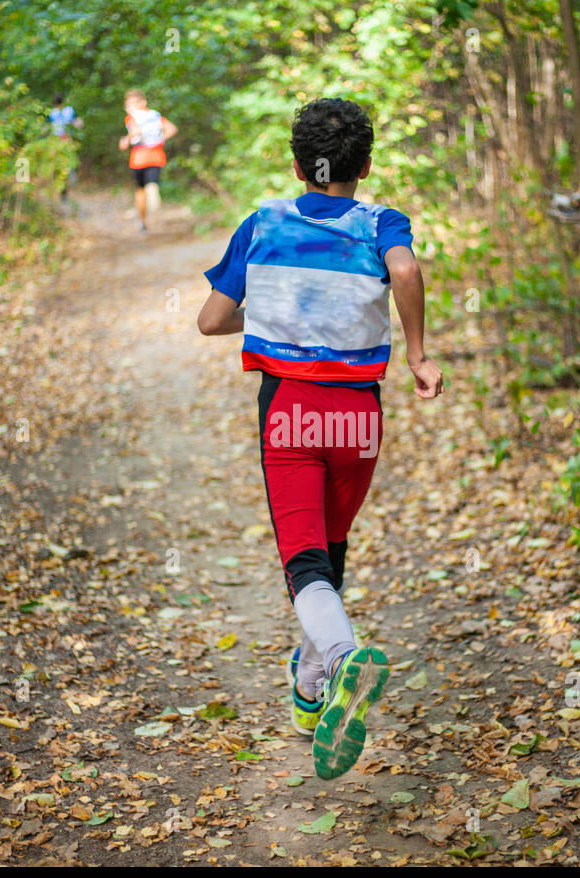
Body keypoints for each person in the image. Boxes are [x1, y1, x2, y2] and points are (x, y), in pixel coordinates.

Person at [196, 98, 443, 781]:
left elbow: (211, 320)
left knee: (304, 562)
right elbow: (405, 272)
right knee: (329, 554)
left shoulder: (264, 222)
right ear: (365, 166)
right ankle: (309, 690)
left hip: (291, 414)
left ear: (297, 165)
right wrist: (419, 355)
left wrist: (270, 310)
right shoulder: (381, 223)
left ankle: (342, 663)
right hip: (359, 419)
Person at [117, 89, 177, 231]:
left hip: (139, 156)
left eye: (131, 105)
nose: (129, 109)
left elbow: (135, 131)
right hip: (156, 155)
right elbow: (172, 129)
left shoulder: (132, 117)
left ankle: (142, 221)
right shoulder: (155, 115)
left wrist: (126, 140)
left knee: (140, 189)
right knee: (151, 184)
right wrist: (160, 138)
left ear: (141, 103)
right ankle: (153, 192)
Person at [49, 93, 84, 206]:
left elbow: (47, 128)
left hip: (57, 143)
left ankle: (62, 193)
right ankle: (72, 173)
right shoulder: (69, 111)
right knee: (68, 164)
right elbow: (79, 124)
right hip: (68, 142)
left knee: (60, 169)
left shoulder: (51, 113)